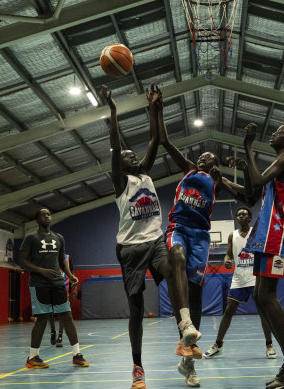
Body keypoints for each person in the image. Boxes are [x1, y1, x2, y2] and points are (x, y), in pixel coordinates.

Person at [216, 123, 284, 388]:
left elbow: (256, 181)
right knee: (259, 295)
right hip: (265, 233)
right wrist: (220, 179)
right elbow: (249, 194)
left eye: (279, 132)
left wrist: (248, 149)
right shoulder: (277, 164)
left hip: (278, 233)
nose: (273, 134)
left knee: (266, 295)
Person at [103, 84, 181, 389]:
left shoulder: (146, 174)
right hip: (130, 249)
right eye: (127, 156)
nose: (132, 156)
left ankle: (184, 332)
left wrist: (154, 106)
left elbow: (153, 140)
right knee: (136, 308)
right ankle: (137, 367)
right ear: (120, 166)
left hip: (154, 239)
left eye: (134, 155)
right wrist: (112, 111)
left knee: (174, 270)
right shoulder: (121, 183)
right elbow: (114, 146)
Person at [156, 91, 221, 388]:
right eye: (202, 156)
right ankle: (184, 323)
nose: (203, 158)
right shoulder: (189, 171)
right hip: (178, 227)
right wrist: (158, 109)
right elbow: (166, 142)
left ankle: (188, 362)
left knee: (194, 295)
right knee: (177, 257)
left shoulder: (215, 184)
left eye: (209, 157)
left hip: (202, 236)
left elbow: (249, 193)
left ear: (214, 165)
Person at [18, 207, 89, 369]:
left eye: (49, 214)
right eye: (43, 214)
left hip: (57, 283)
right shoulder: (31, 238)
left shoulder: (59, 238)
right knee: (42, 319)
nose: (47, 216)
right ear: (37, 219)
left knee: (67, 316)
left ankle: (77, 355)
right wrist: (41, 270)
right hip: (39, 284)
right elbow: (22, 260)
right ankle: (32, 357)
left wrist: (70, 275)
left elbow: (62, 260)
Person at [203, 206, 277, 360]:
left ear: (250, 218)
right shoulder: (232, 235)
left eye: (244, 214)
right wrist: (227, 260)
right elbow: (229, 254)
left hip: (256, 277)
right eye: (239, 215)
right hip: (238, 278)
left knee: (263, 313)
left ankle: (269, 345)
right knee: (228, 311)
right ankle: (218, 344)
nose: (241, 217)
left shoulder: (255, 233)